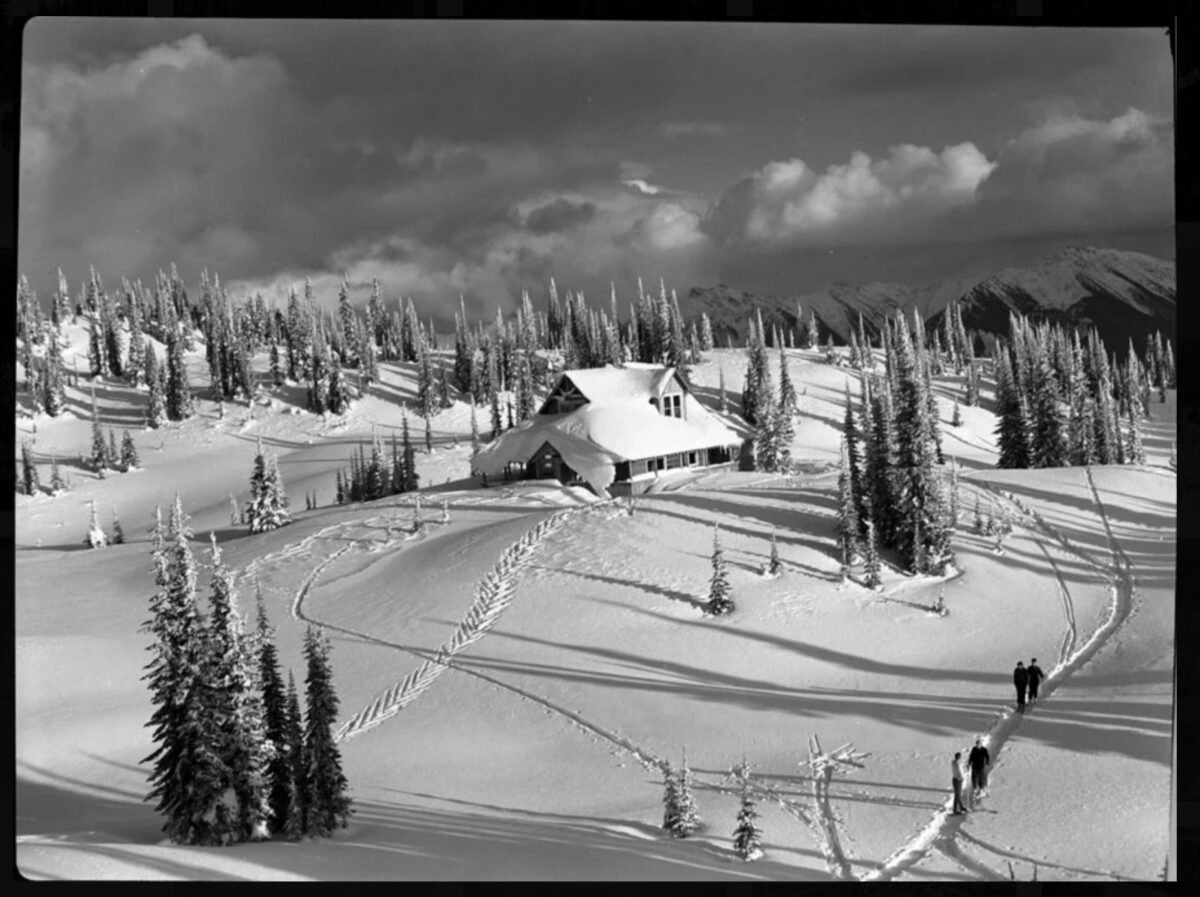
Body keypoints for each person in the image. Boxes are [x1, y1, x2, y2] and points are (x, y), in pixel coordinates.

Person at [968, 737, 991, 801]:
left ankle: (981, 789)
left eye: (979, 744)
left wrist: (987, 762)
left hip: (981, 766)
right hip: (974, 766)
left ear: (981, 744)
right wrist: (969, 763)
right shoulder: (974, 749)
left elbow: (987, 756)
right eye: (977, 744)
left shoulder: (984, 750)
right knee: (974, 777)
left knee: (981, 777)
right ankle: (975, 789)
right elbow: (971, 756)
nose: (977, 745)